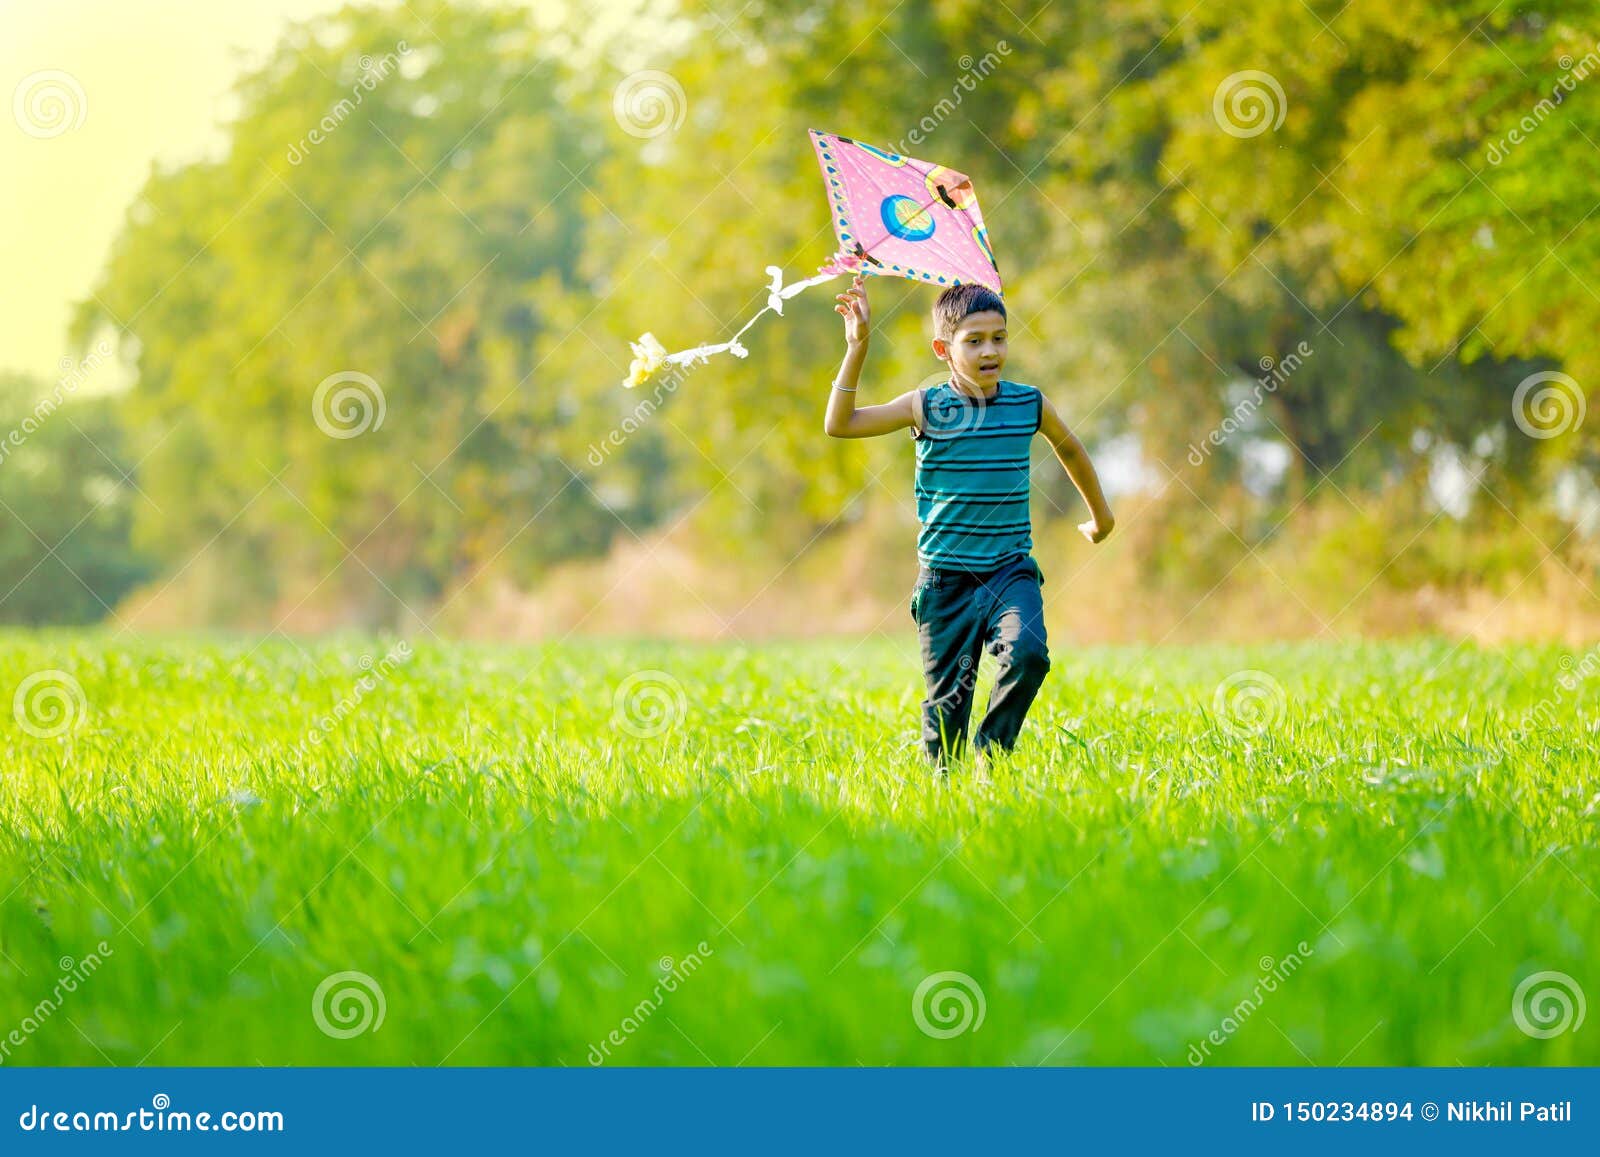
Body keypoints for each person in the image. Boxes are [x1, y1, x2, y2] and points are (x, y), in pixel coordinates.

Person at [823, 274, 1115, 770]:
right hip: (945, 582)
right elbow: (841, 424)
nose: (989, 351)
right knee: (946, 721)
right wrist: (858, 347)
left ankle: (993, 752)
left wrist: (1101, 517)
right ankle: (949, 794)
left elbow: (1069, 447)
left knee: (1029, 654)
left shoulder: (1028, 403)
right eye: (974, 340)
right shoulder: (926, 405)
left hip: (1009, 572)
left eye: (999, 338)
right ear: (943, 347)